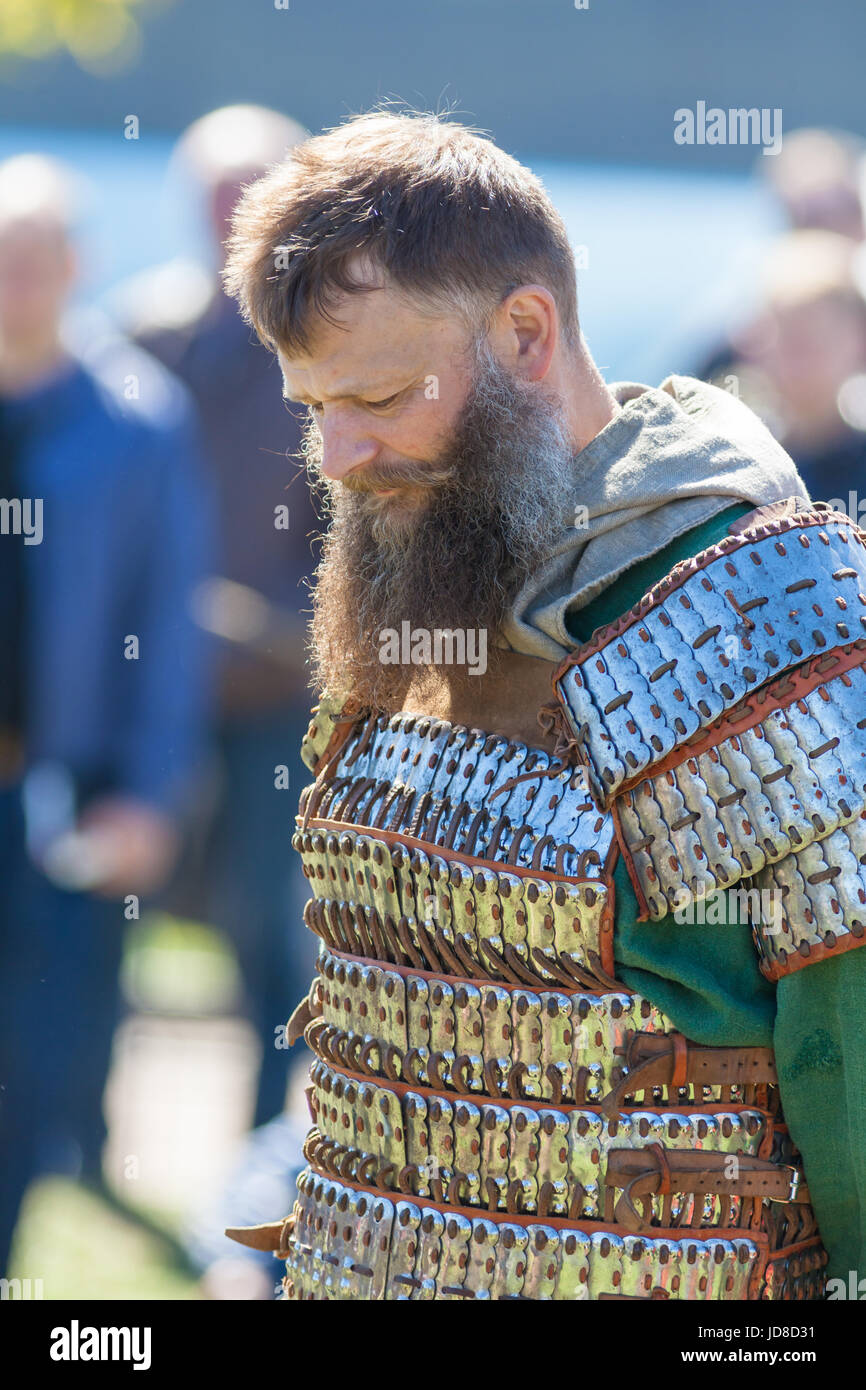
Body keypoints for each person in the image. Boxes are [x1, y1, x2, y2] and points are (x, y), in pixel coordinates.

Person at [222, 109, 866, 1300]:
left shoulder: (759, 616)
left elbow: (849, 1050)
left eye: (379, 394)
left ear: (526, 331)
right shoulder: (424, 570)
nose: (339, 455)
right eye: (313, 407)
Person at [0, 155, 213, 1276]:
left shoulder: (134, 419)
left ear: (75, 268)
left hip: (62, 785)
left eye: (34, 259)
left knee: (46, 1044)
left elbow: (163, 629)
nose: (13, 281)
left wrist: (149, 790)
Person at [117, 106, 321, 1131]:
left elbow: (364, 538)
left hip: (273, 696)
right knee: (109, 901)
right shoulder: (147, 337)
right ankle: (79, 1123)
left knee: (263, 920)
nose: (228, 209)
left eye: (250, 187)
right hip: (144, 686)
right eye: (211, 189)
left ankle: (255, 1141)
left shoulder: (332, 347)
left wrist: (267, 625)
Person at [705, 230, 866, 513]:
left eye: (813, 342)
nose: (800, 363)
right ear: (755, 344)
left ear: (857, 343)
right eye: (787, 341)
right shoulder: (734, 459)